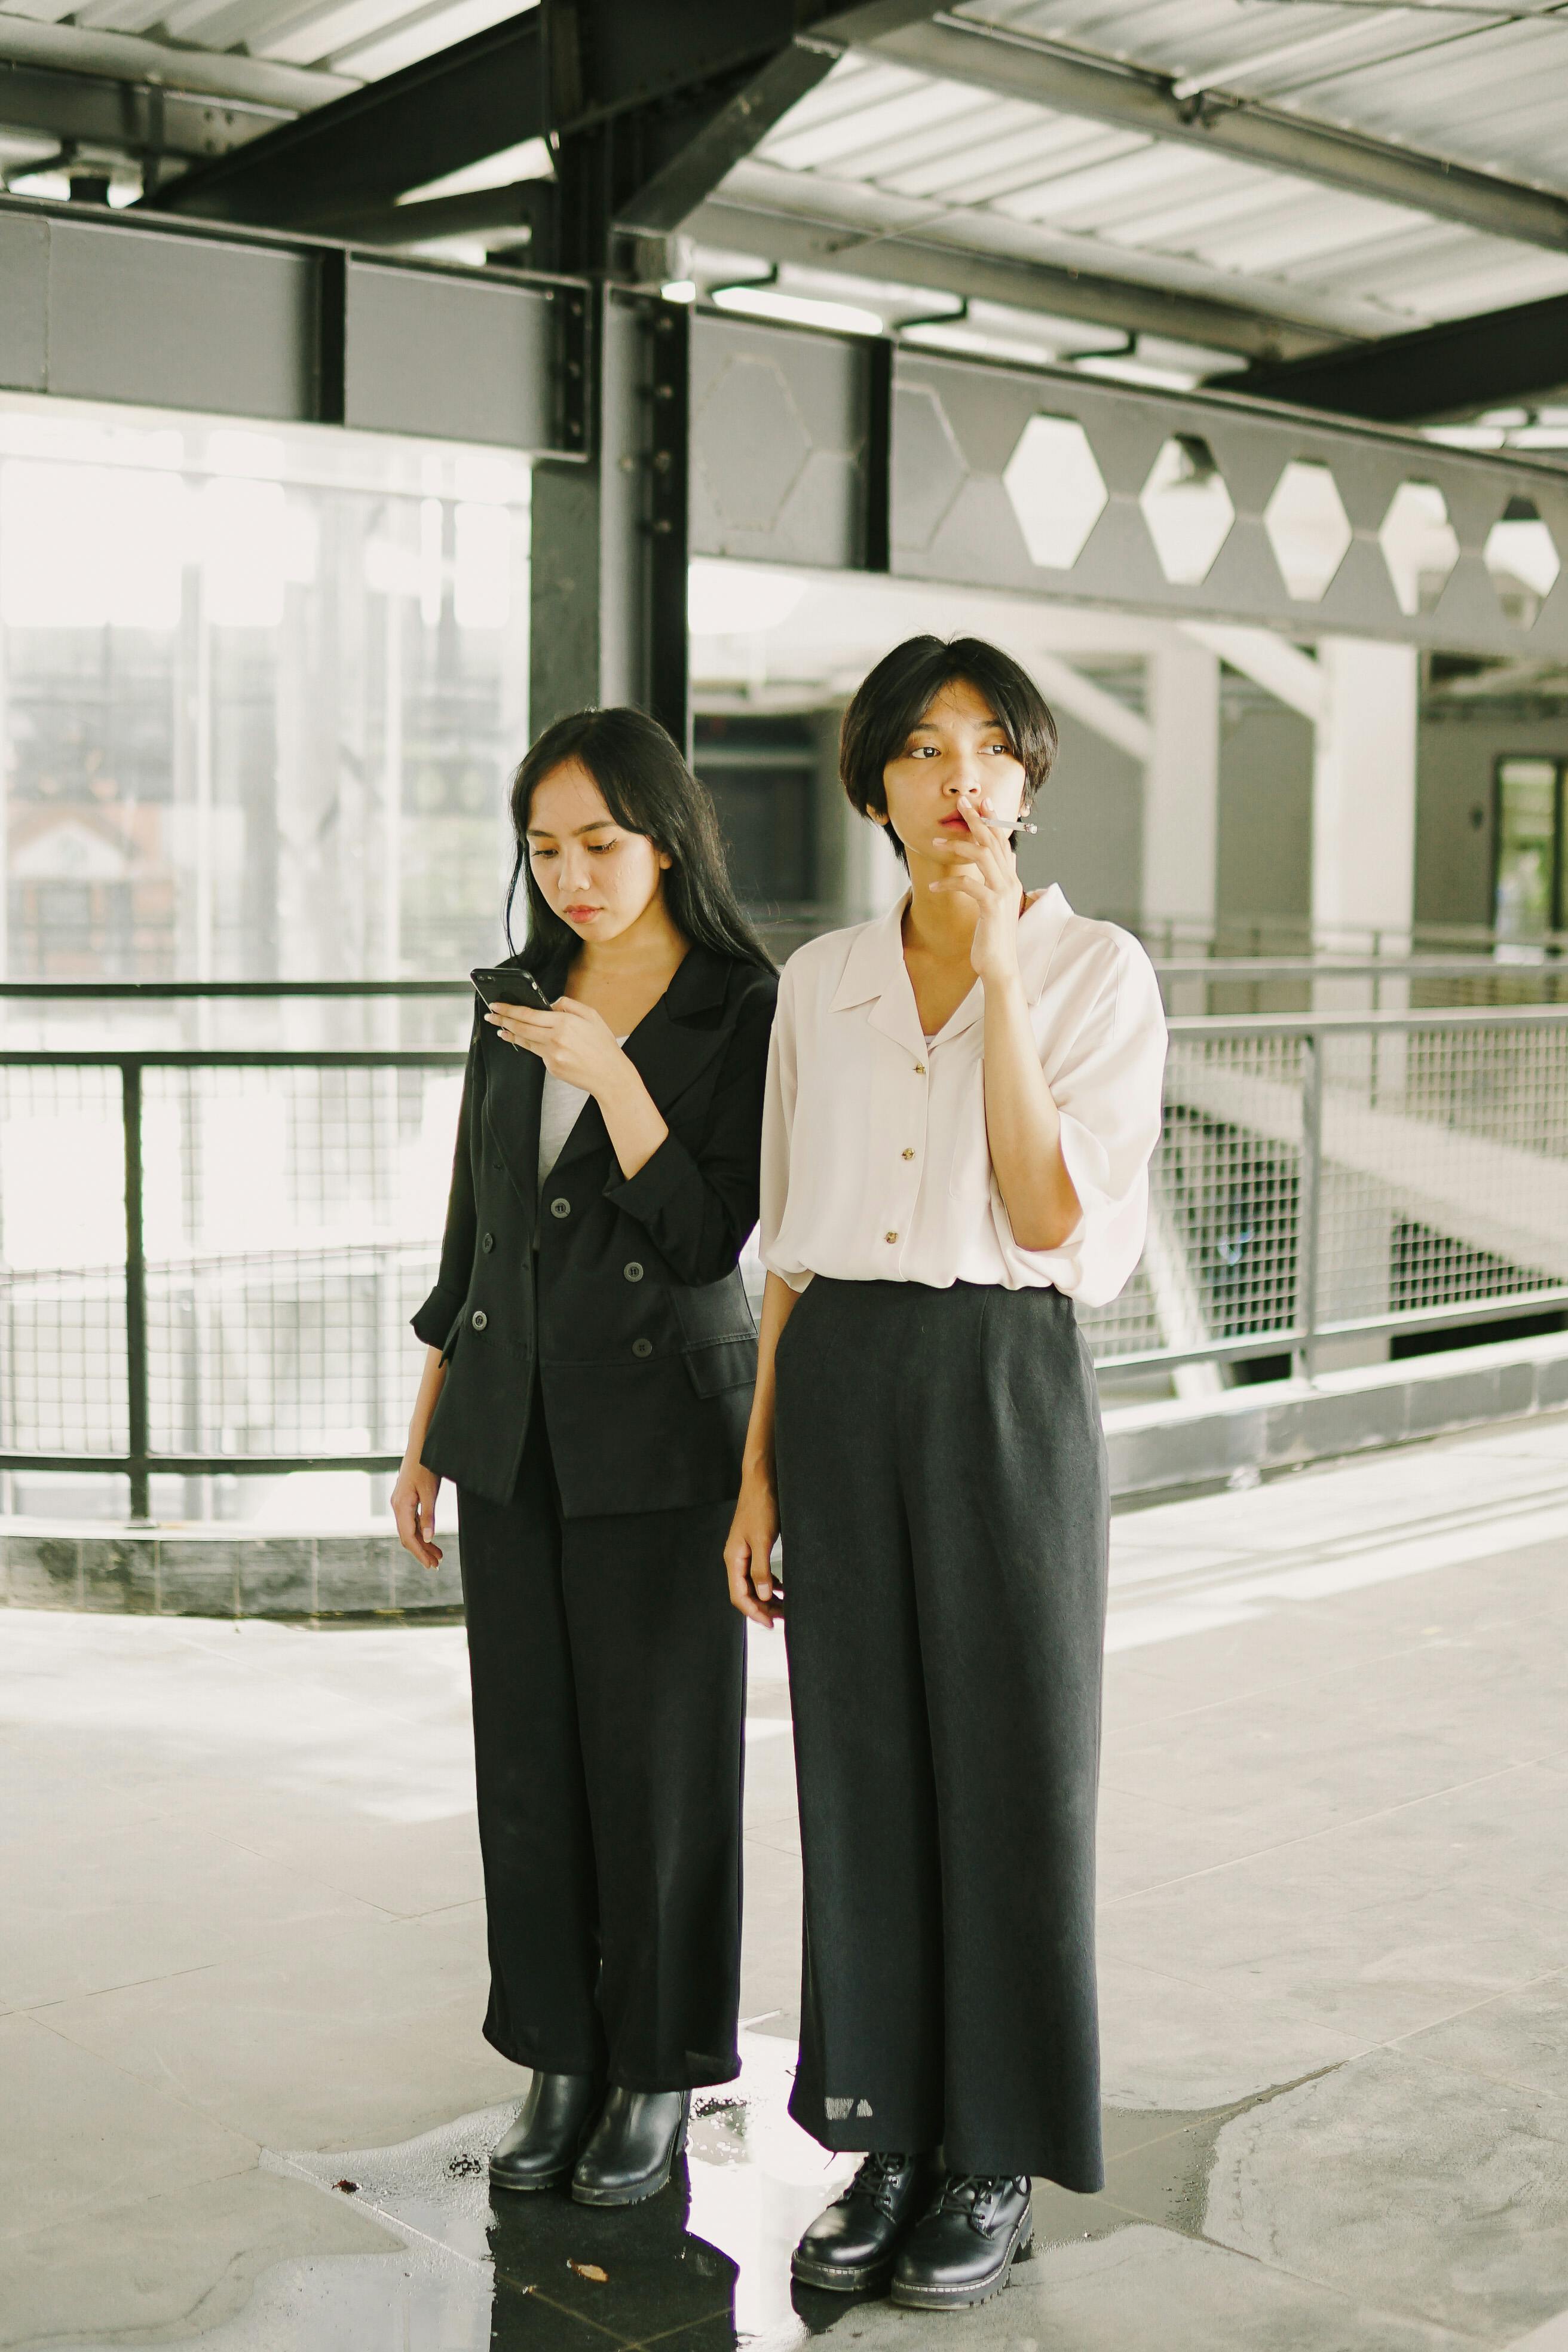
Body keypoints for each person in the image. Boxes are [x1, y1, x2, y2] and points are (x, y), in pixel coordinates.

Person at [724, 636, 1167, 2311]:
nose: (958, 773)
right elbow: (786, 1245)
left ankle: (992, 2153)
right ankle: (885, 2129)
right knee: (863, 1774)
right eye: (921, 747)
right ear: (877, 784)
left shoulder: (1097, 974)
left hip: (1002, 1380)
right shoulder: (818, 983)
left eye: (990, 744)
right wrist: (757, 1473)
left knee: (1015, 1768)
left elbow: (1052, 1217)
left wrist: (993, 979)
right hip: (838, 1384)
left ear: (1030, 780)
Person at [393, 706, 776, 2209]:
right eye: (545, 849)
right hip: (512, 1427)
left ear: (666, 835)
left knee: (661, 1766)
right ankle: (557, 2050)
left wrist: (613, 1073)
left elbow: (703, 1239)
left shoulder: (744, 1004)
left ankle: (659, 2073)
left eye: (600, 845)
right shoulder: (514, 992)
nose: (572, 876)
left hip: (666, 1433)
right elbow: (474, 1226)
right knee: (533, 1763)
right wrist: (429, 1423)